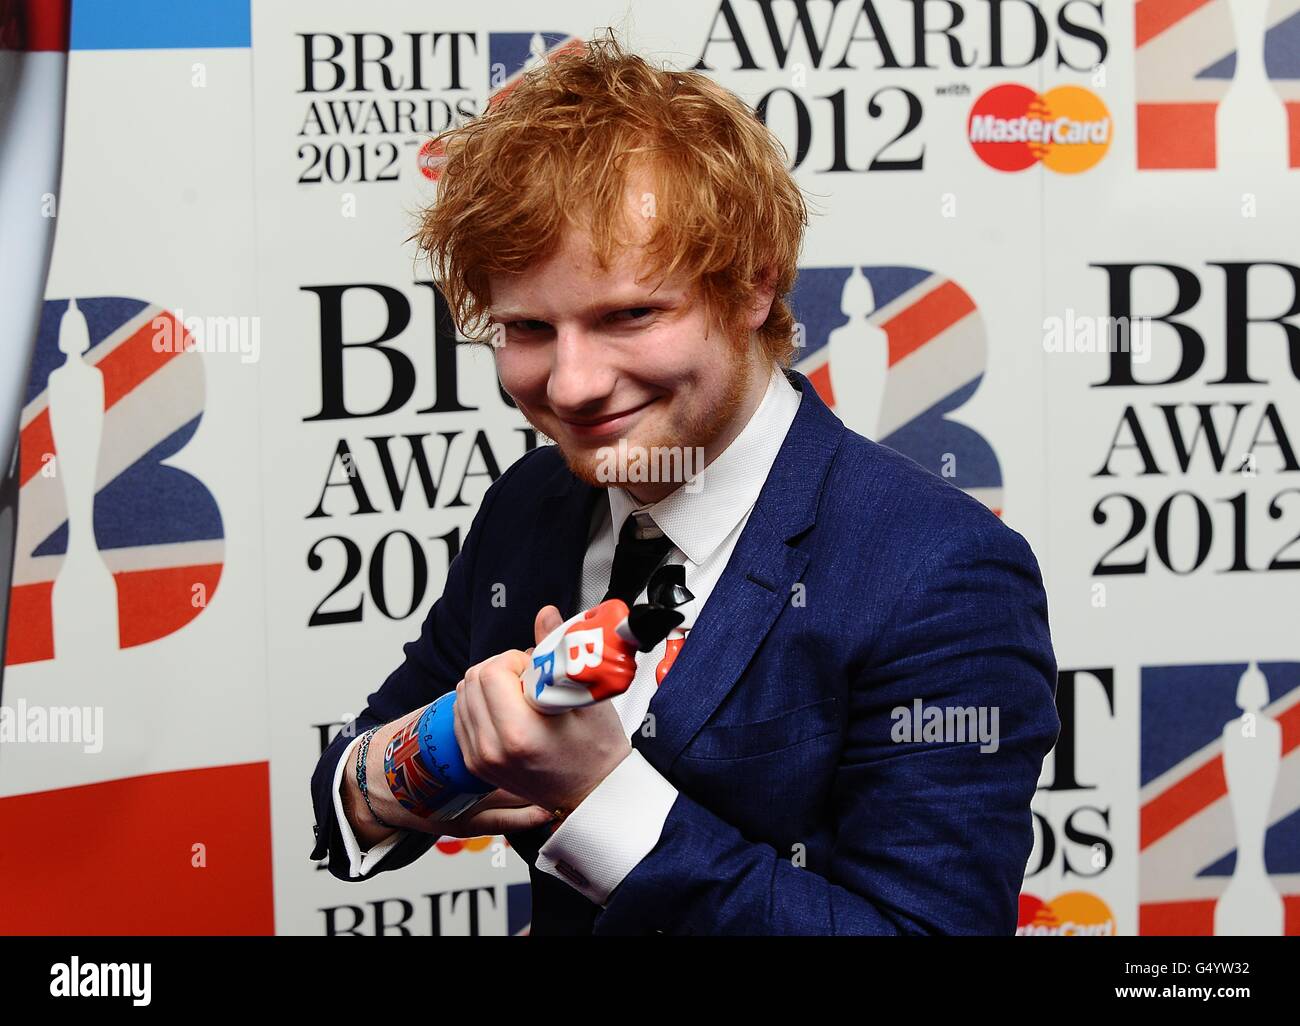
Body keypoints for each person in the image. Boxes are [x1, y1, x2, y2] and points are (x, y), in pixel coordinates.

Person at [308, 31, 1060, 935]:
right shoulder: (528, 506)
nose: (573, 384)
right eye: (529, 330)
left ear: (752, 287)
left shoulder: (939, 571)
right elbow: (350, 784)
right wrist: (414, 766)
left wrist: (600, 798)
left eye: (630, 315)